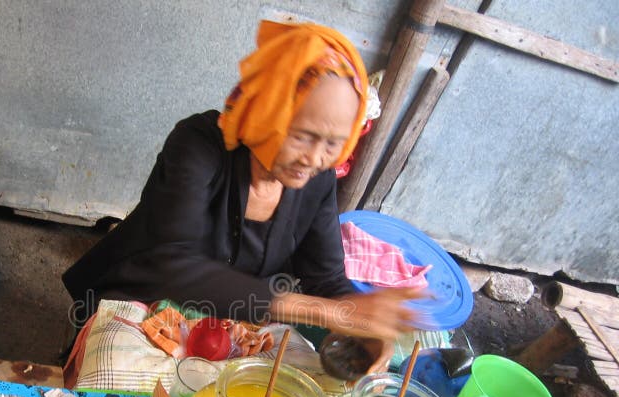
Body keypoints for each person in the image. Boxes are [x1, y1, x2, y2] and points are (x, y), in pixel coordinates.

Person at [63, 19, 423, 355]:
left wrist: (360, 331)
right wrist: (325, 313)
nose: (314, 159)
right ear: (268, 110)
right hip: (141, 300)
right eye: (302, 136)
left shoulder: (317, 181)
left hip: (229, 323)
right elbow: (172, 265)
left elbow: (325, 278)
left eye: (333, 144)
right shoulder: (198, 145)